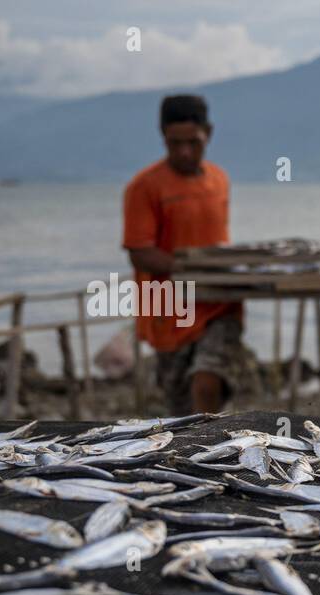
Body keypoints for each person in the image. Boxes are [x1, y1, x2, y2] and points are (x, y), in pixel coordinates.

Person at [123, 94, 241, 414]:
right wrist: (190, 271)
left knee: (207, 381)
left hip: (220, 304)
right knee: (179, 406)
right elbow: (139, 252)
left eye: (194, 142)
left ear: (209, 133)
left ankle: (213, 452)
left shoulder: (219, 180)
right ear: (162, 136)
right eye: (175, 143)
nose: (185, 151)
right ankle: (193, 450)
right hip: (169, 309)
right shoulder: (144, 187)